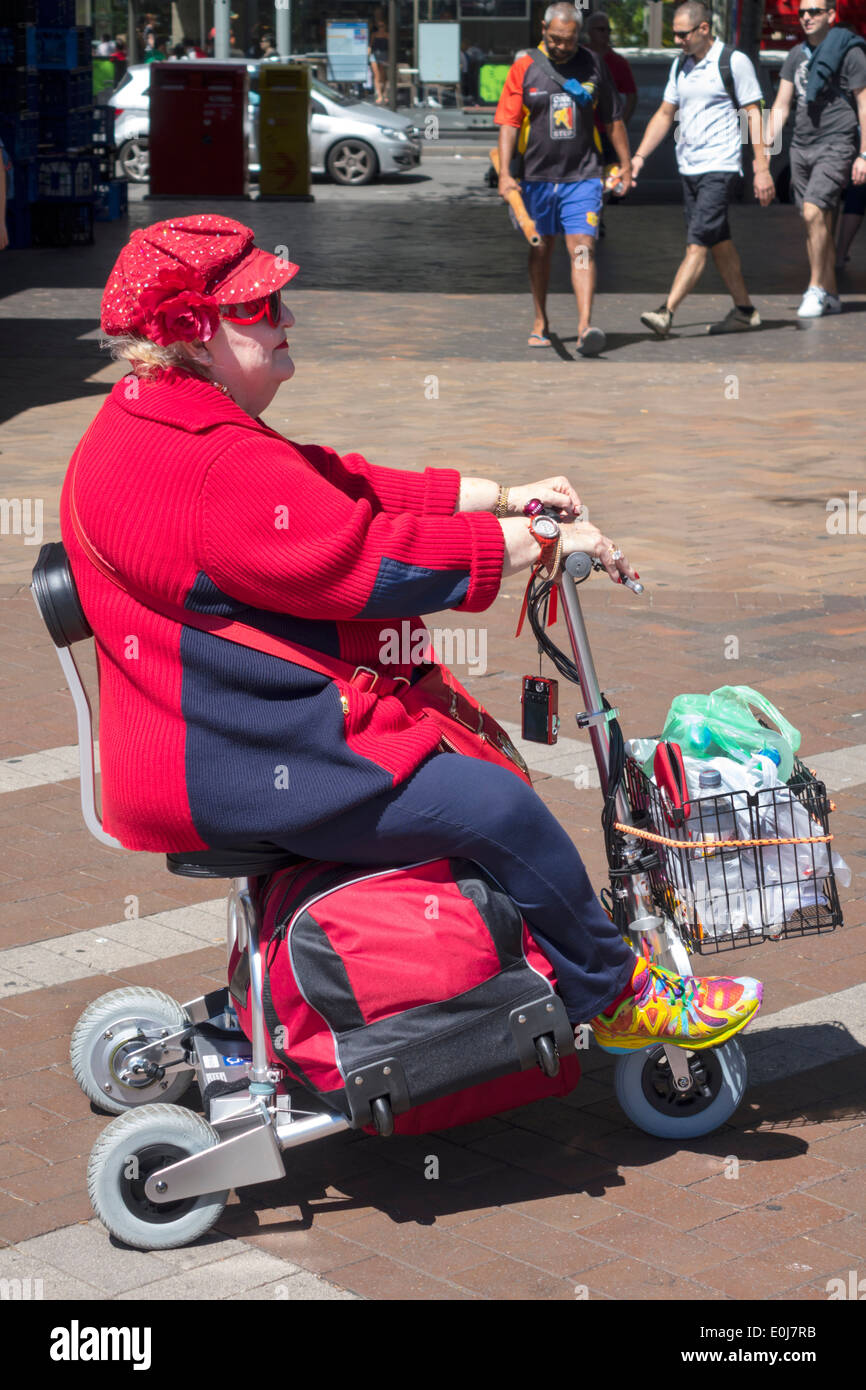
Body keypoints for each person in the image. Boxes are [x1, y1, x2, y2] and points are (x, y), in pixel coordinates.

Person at [60, 212, 762, 1057]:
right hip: (234, 758)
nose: (286, 321)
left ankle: (530, 964)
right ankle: (617, 995)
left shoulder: (162, 417)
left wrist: (502, 497)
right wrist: (532, 541)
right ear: (193, 334)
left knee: (472, 770)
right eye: (259, 311)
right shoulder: (210, 461)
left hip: (208, 734)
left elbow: (331, 481)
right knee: (497, 805)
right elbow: (361, 560)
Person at [495, 1, 633, 357]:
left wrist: (626, 163)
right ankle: (541, 321)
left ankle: (585, 326)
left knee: (582, 248)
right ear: (543, 29)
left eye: (568, 41)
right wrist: (507, 174)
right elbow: (509, 122)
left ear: (579, 36)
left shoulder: (593, 63)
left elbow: (613, 118)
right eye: (555, 39)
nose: (561, 46)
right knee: (541, 248)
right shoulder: (524, 66)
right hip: (537, 177)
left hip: (582, 175)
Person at [630, 1, 774, 338]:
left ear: (704, 29)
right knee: (719, 242)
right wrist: (639, 157)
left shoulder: (733, 61)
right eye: (674, 34)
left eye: (682, 34)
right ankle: (744, 311)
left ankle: (666, 311)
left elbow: (754, 113)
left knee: (696, 245)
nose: (677, 40)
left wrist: (762, 167)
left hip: (719, 168)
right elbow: (665, 114)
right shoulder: (680, 65)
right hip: (690, 169)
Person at [765, 4, 866, 317]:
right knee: (815, 222)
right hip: (801, 146)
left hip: (837, 143)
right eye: (802, 12)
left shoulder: (851, 53)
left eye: (815, 11)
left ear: (831, 16)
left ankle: (815, 288)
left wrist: (864, 153)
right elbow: (781, 105)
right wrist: (765, 146)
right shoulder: (795, 54)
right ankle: (831, 294)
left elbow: (864, 105)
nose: (807, 17)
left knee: (812, 211)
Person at [370, 11, 389, 105]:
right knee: (376, 76)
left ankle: (384, 94)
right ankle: (379, 95)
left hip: (384, 55)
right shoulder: (374, 35)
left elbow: (390, 47)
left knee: (383, 76)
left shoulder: (387, 35)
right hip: (374, 55)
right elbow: (370, 45)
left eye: (382, 26)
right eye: (379, 26)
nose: (381, 28)